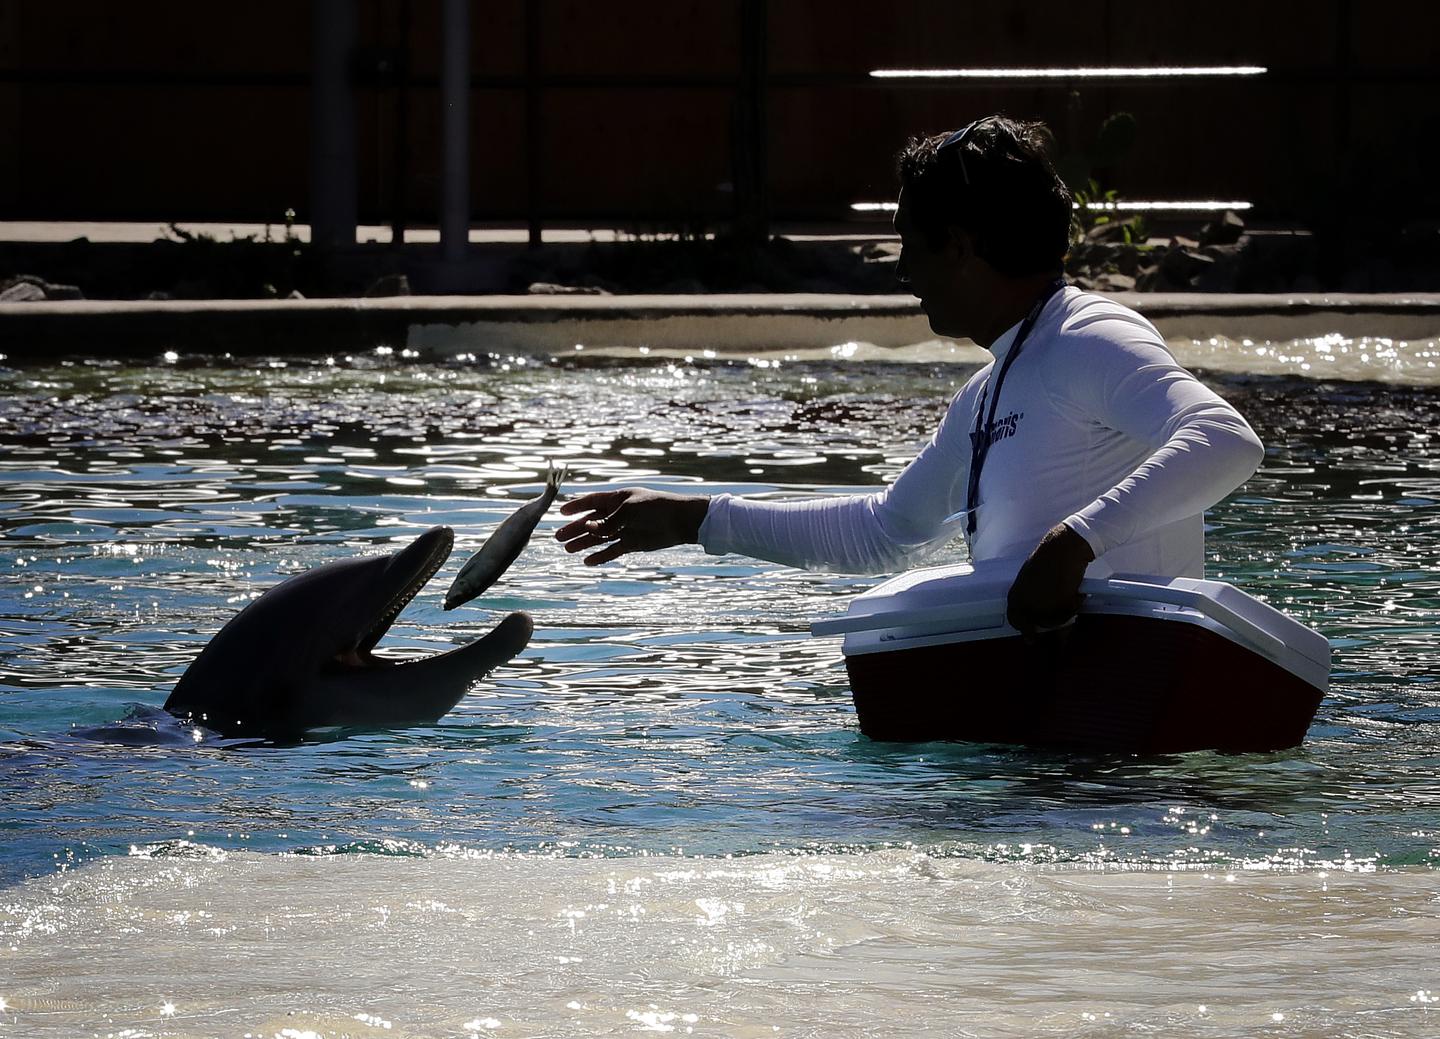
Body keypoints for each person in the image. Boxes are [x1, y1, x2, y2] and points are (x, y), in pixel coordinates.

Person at [555, 115, 1264, 635]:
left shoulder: (1090, 334)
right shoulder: (985, 395)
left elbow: (1224, 437)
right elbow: (884, 533)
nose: (901, 272)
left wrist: (1075, 543)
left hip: (1135, 745)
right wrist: (693, 519)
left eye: (908, 244)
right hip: (1056, 750)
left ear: (959, 247)